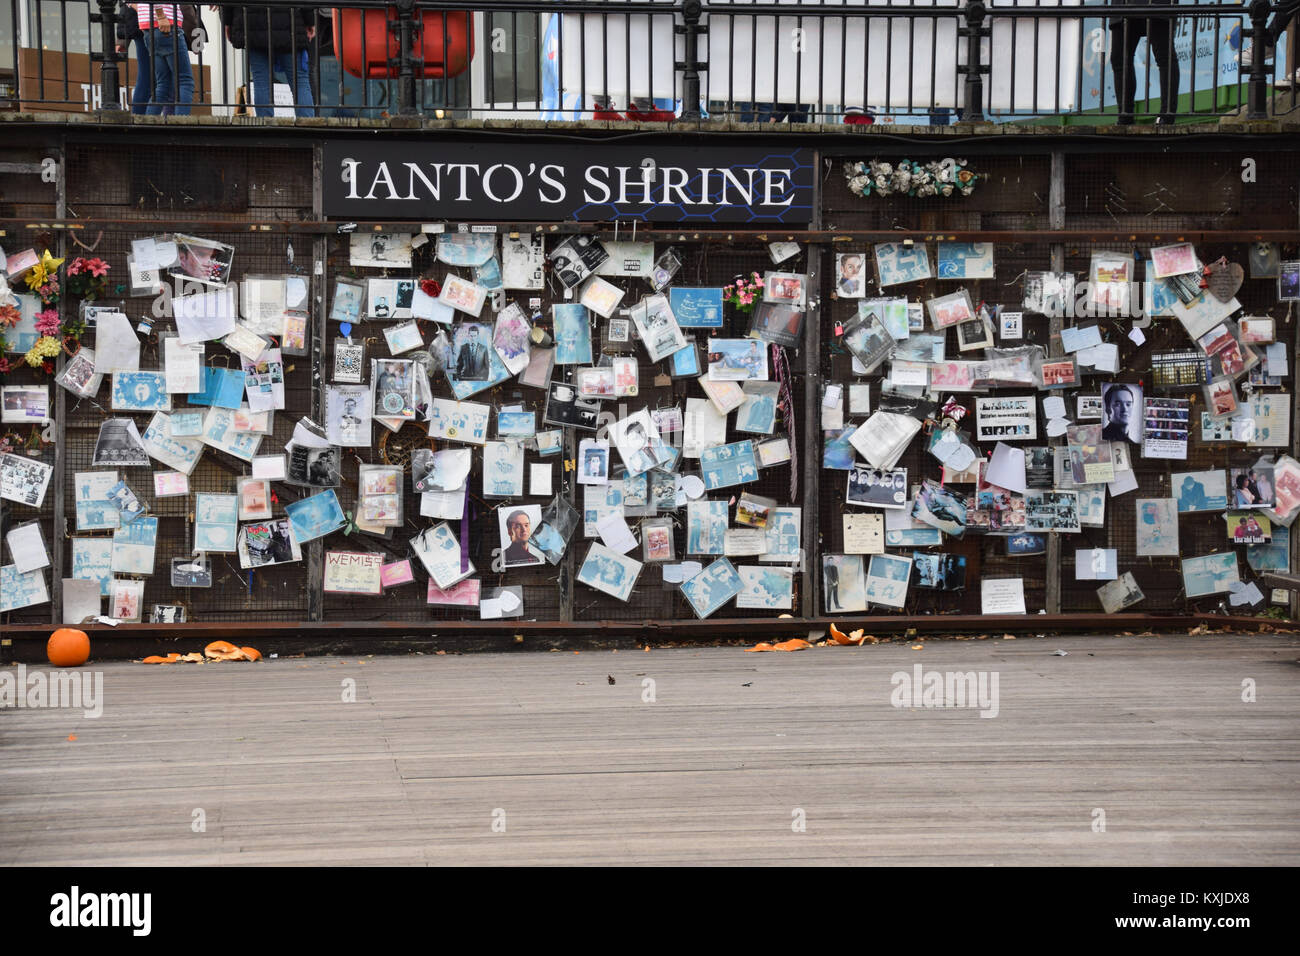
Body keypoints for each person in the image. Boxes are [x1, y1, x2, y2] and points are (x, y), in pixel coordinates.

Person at [222, 5, 317, 118]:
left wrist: (227, 21)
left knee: (261, 82)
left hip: (252, 25)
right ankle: (307, 126)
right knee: (299, 83)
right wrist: (310, 20)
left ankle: (266, 127)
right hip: (289, 23)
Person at [1108, 0, 1179, 125]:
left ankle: (1167, 114)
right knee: (1119, 58)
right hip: (1123, 7)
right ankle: (1125, 115)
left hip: (1157, 6)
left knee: (1164, 56)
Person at [134, 4, 194, 116]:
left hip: (148, 27)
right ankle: (181, 125)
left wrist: (146, 15)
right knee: (185, 81)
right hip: (166, 24)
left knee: (163, 83)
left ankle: (148, 124)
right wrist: (160, 15)